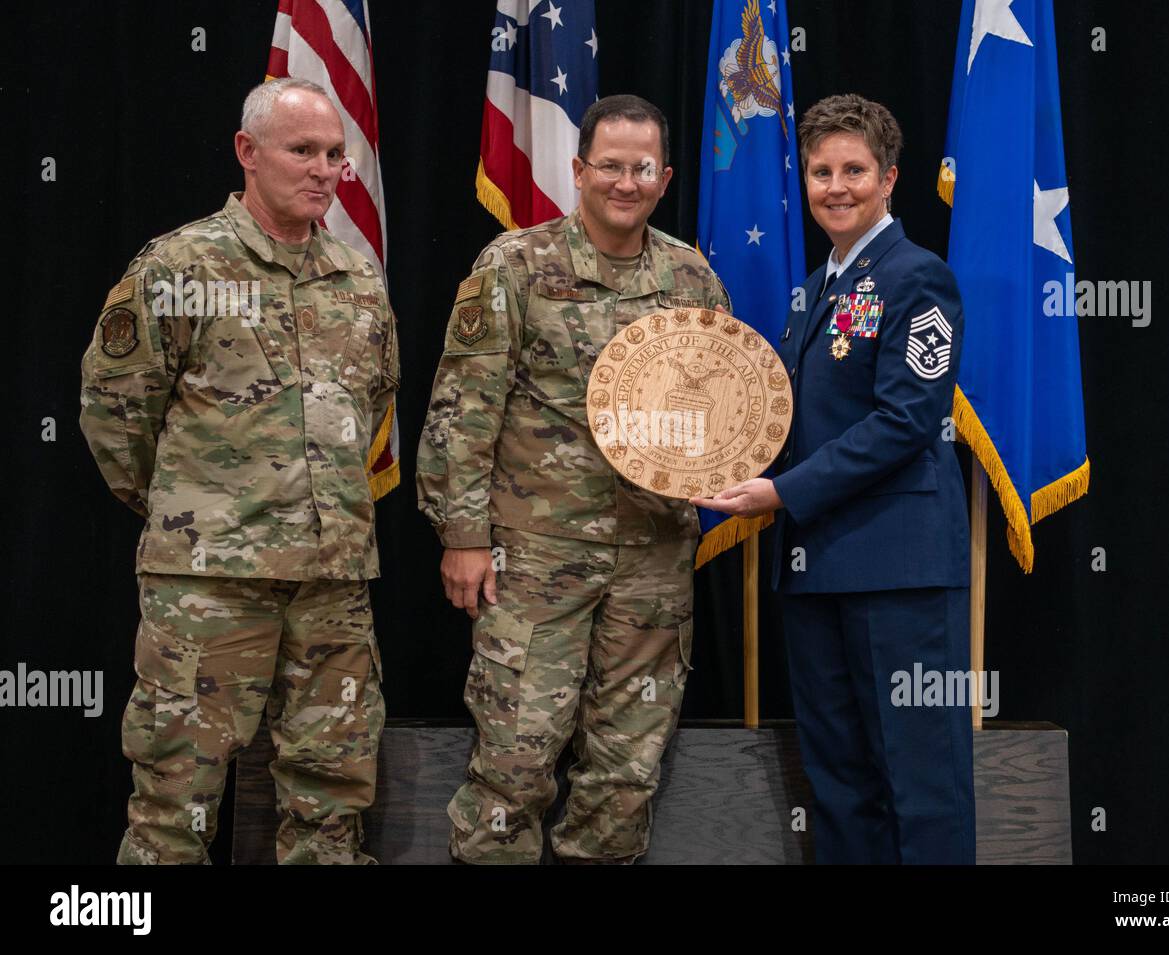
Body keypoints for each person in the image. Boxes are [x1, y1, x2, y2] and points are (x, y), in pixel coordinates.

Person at [79, 77, 399, 865]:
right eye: (303, 151)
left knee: (332, 797)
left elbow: (374, 406)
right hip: (209, 583)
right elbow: (117, 414)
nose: (324, 169)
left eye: (334, 153)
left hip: (333, 583)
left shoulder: (358, 279)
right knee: (175, 802)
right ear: (248, 153)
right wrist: (198, 511)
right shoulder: (179, 266)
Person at [417, 95, 730, 864]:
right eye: (611, 166)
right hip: (535, 558)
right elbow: (463, 408)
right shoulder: (515, 266)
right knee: (517, 759)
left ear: (666, 177)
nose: (626, 182)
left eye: (643, 168)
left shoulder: (690, 276)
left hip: (653, 561)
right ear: (580, 169)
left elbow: (727, 403)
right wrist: (463, 537)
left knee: (625, 771)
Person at [695, 94, 975, 864]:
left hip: (900, 571)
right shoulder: (817, 288)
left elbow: (906, 421)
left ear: (889, 178)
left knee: (922, 780)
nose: (835, 186)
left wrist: (780, 493)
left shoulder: (920, 278)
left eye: (854, 170)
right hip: (816, 566)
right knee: (840, 781)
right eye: (821, 170)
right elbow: (798, 422)